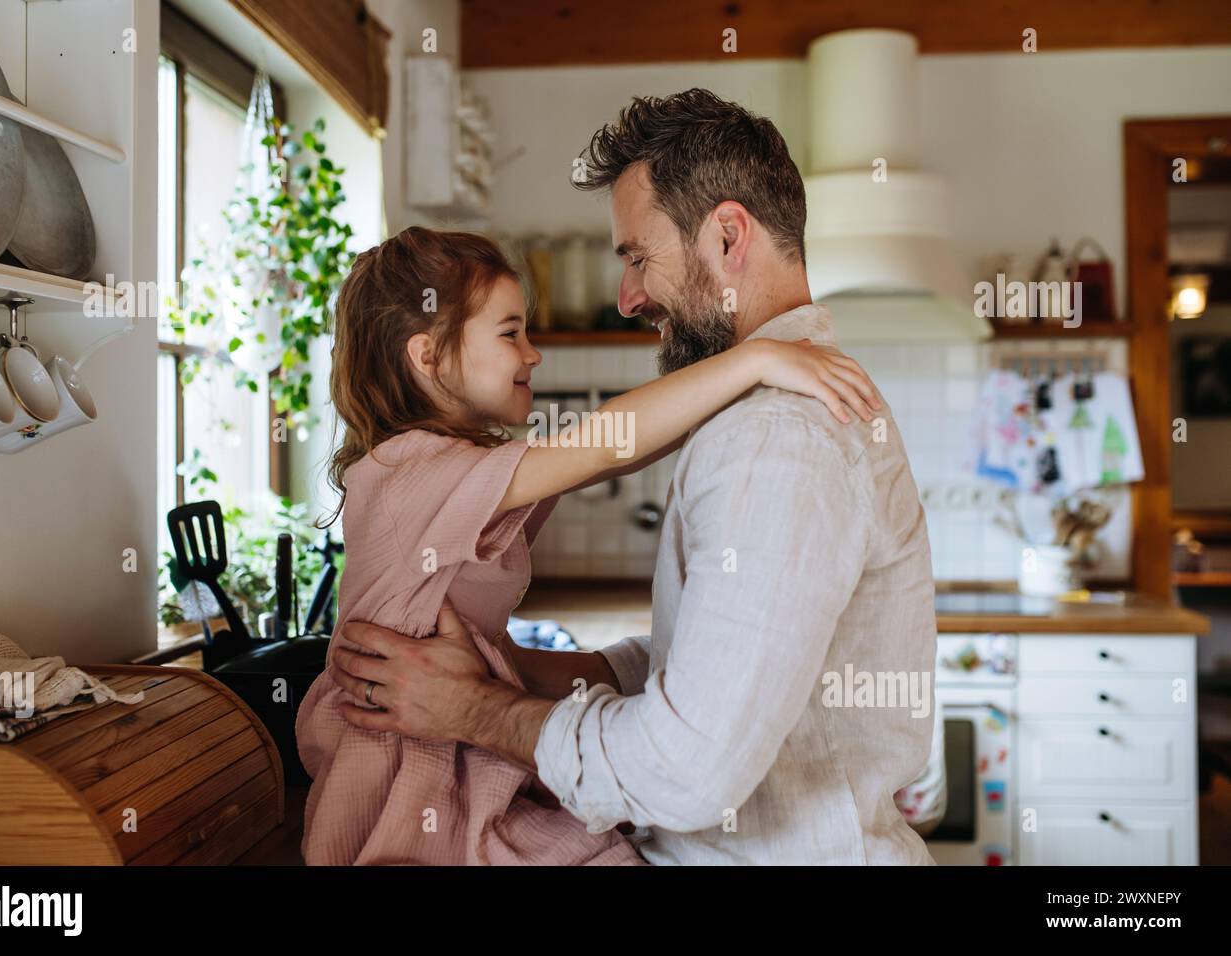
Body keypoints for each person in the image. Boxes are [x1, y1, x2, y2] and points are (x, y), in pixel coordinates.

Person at [330, 89, 940, 866]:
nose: (627, 298)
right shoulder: (763, 412)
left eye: (636, 256)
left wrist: (475, 708)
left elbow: (685, 773)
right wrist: (508, 672)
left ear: (727, 235)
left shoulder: (775, 438)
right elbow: (715, 666)